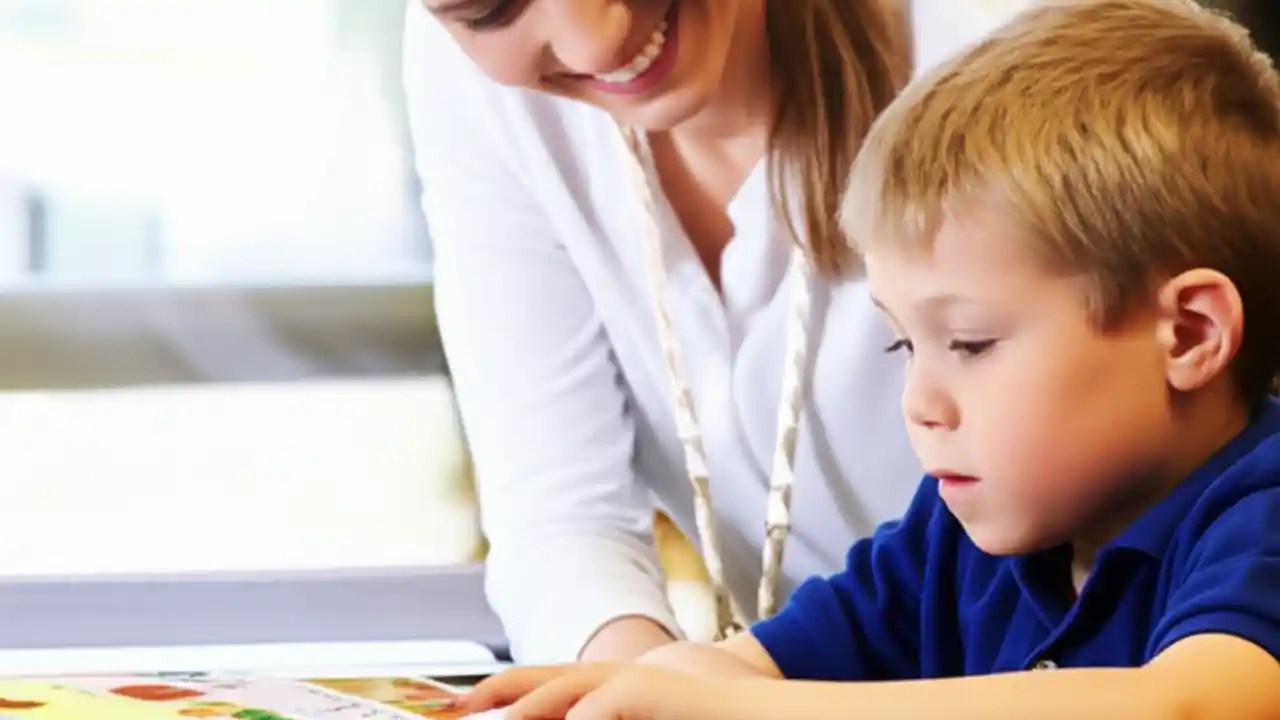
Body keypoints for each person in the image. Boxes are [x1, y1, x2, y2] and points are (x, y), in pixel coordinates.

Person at [456, 0, 1280, 717]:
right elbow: (742, 669)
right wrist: (625, 690)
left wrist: (748, 708)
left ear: (1189, 334)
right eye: (904, 343)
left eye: (970, 344)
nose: (919, 401)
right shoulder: (951, 535)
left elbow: (1188, 705)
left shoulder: (1260, 514)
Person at [403, 0, 1009, 663]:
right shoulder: (472, 83)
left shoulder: (1006, 43)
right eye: (490, 11)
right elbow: (560, 522)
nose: (592, 46)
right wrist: (644, 695)